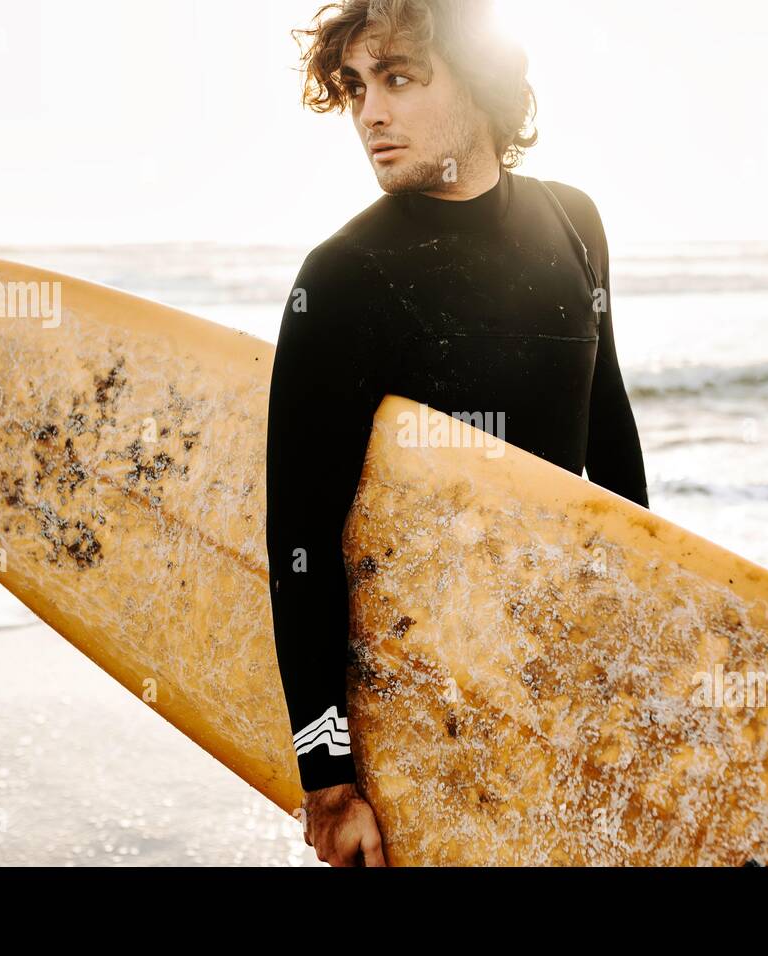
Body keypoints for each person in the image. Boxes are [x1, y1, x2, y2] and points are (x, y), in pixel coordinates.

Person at [266, 0, 648, 867]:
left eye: (398, 79)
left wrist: (637, 635)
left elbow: (612, 441)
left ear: (478, 85)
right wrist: (327, 782)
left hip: (556, 668)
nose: (371, 112)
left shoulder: (574, 223)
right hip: (425, 697)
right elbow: (298, 541)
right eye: (356, 86)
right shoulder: (341, 279)